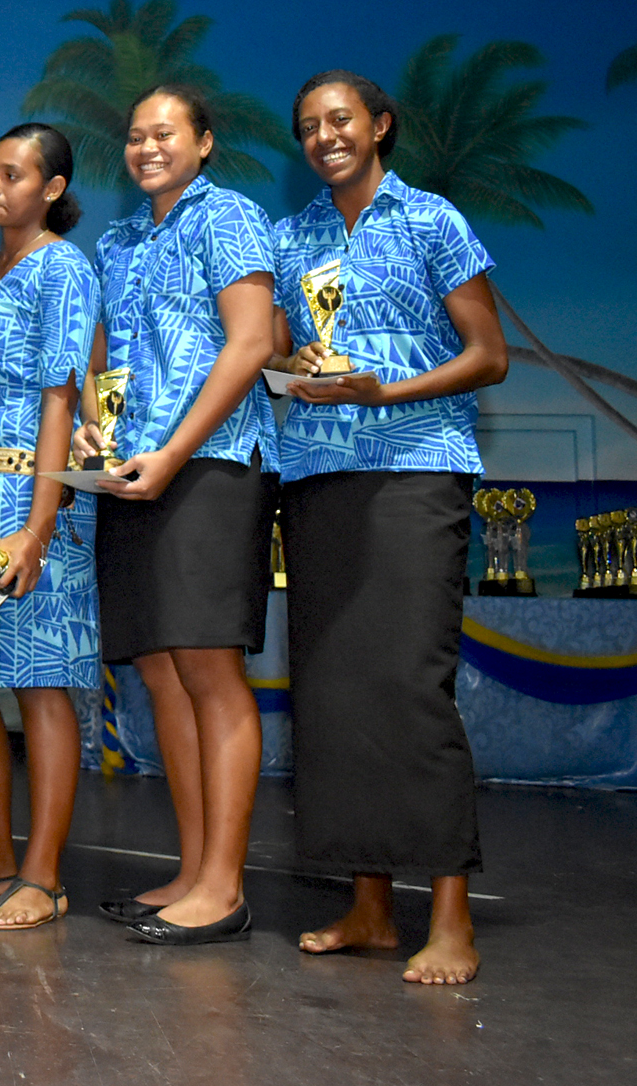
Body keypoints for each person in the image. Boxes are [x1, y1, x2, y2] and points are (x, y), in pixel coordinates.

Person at [274, 71, 503, 985]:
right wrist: (300, 369)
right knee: (333, 694)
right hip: (319, 477)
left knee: (410, 688)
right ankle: (369, 906)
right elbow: (291, 350)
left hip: (417, 471)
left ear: (379, 126)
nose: (324, 136)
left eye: (340, 121)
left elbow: (489, 355)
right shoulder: (293, 237)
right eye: (307, 127)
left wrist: (385, 391)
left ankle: (450, 917)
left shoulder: (432, 219)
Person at [76, 85, 278, 946]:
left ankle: (225, 887)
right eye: (134, 135)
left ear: (204, 141)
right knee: (161, 671)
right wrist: (95, 421)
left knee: (208, 668)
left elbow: (252, 342)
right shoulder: (117, 240)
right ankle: (194, 870)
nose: (148, 147)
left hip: (211, 467)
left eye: (166, 133)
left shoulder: (226, 216)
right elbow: (101, 358)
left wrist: (174, 451)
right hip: (129, 474)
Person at [0, 124, 100, 931]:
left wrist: (39, 526)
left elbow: (62, 397)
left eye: (14, 174)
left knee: (41, 680)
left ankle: (43, 874)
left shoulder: (63, 268)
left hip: (38, 501)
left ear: (53, 189)